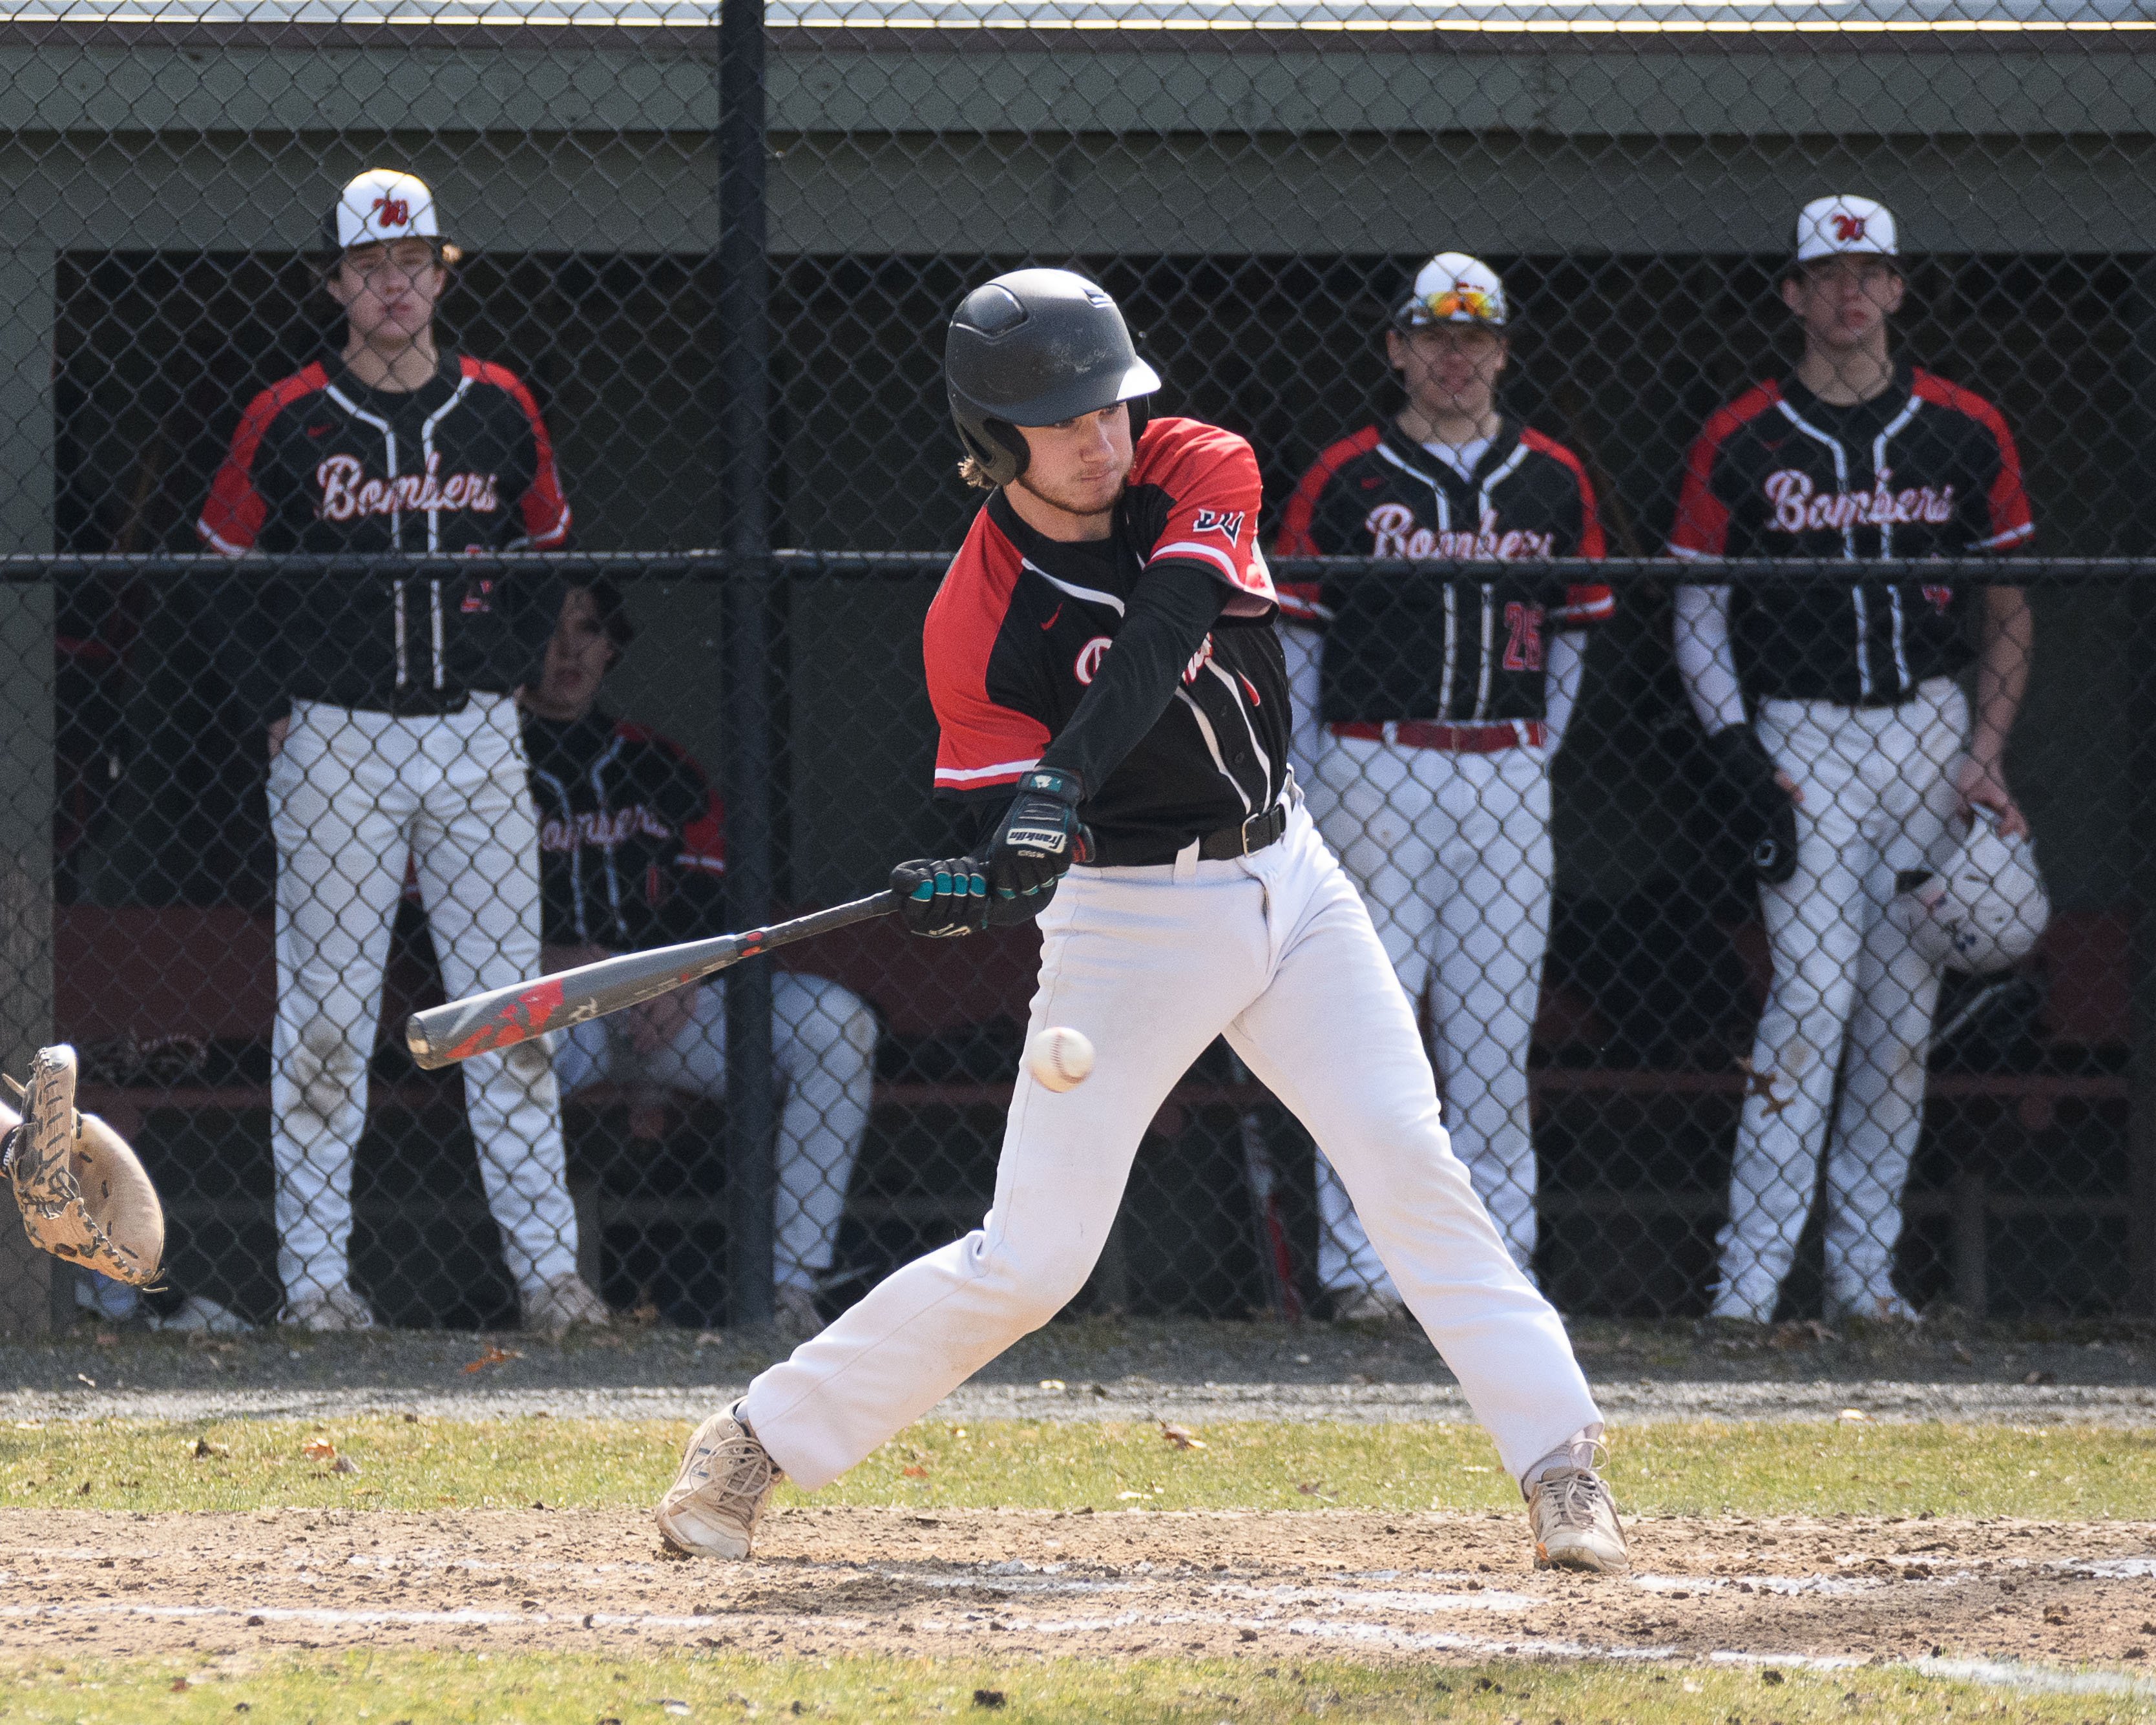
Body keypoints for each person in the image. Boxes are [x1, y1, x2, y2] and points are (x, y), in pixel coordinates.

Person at [651, 268, 1629, 1576]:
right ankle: (753, 1443)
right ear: (996, 444)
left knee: (1406, 1156)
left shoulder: (1195, 461)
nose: (1105, 437)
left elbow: (1170, 628)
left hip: (1294, 874)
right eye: (1066, 422)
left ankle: (1561, 1462)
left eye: (1111, 407)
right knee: (1035, 1259)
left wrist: (1057, 783)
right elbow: (1014, 853)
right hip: (1130, 923)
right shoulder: (973, 619)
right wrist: (983, 884)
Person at [198, 169, 603, 1335]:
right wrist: (270, 702)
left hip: (475, 733)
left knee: (509, 1017)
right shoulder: (285, 414)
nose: (394, 286)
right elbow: (218, 571)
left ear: (439, 275)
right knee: (325, 1017)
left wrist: (520, 673)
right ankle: (317, 1285)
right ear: (335, 283)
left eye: (413, 265)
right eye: (371, 268)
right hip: (335, 736)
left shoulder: (499, 405)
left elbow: (548, 545)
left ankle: (551, 1280)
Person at [1669, 195, 2035, 1326]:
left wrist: (1982, 753)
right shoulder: (1742, 434)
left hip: (1927, 727)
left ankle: (1864, 1279)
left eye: (1868, 272)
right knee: (1812, 1000)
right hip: (1803, 735)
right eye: (1826, 275)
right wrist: (1737, 745)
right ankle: (1748, 1285)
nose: (1847, 293)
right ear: (1792, 293)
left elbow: (2011, 605)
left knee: (1896, 1014)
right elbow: (1695, 606)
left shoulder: (1964, 426)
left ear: (1897, 287)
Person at [1275, 253, 1612, 1314]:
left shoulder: (1552, 474)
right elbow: (1295, 646)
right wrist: (1304, 775)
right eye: (1432, 337)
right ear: (1396, 350)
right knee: (1366, 1031)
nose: (1454, 357)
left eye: (1474, 338)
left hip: (1504, 763)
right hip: (1374, 761)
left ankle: (1495, 1265)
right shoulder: (1347, 474)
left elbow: (1572, 639)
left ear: (1503, 350)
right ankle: (1363, 1270)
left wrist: (1532, 753)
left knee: (1492, 1034)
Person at [521, 583, 880, 1338]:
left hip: (676, 1008)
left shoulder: (659, 763)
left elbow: (722, 897)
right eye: (549, 631)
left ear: (612, 646)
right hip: (558, 1013)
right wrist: (563, 958)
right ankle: (550, 1286)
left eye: (587, 630)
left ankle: (790, 1290)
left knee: (834, 1026)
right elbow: (435, 929)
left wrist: (686, 975)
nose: (568, 651)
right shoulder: (478, 767)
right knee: (504, 1056)